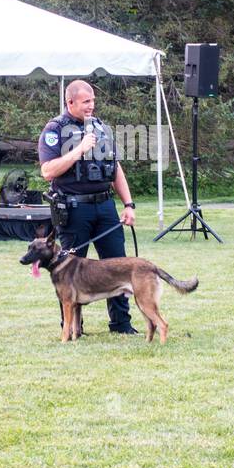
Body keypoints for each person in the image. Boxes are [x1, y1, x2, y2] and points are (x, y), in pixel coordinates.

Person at [38, 79, 138, 335]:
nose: (91, 106)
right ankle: (72, 329)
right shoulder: (55, 130)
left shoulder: (101, 128)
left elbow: (115, 168)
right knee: (67, 271)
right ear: (69, 102)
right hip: (73, 210)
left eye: (93, 101)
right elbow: (48, 171)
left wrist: (128, 204)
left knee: (117, 265)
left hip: (105, 206)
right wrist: (79, 150)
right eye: (86, 102)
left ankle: (121, 324)